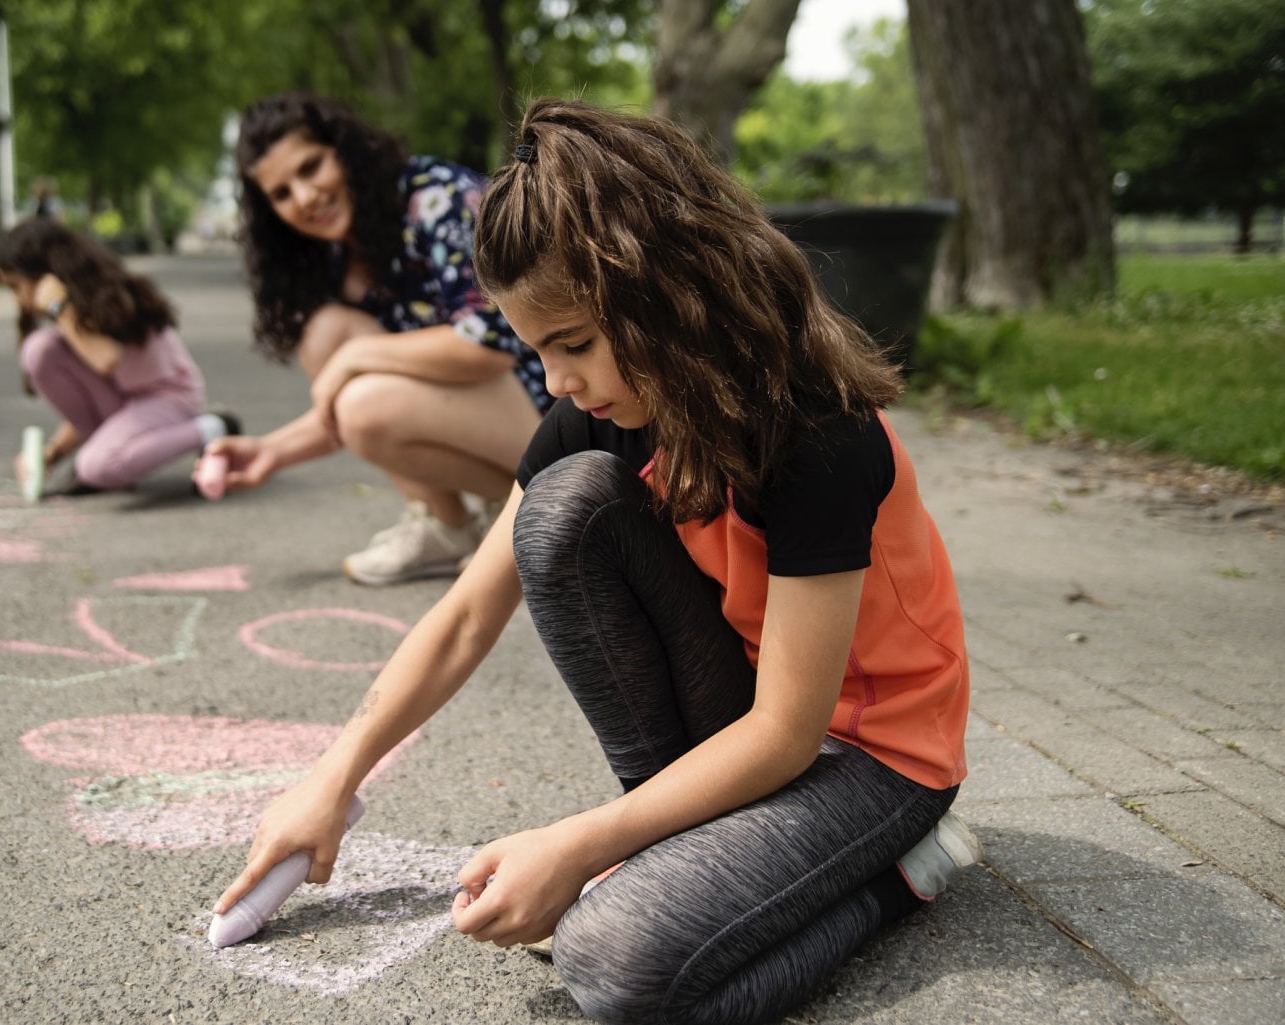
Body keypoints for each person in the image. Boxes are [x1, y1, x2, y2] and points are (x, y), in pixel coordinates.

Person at [212, 98, 979, 1025]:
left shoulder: (813, 428)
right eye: (538, 352)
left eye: (572, 344)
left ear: (667, 293)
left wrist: (579, 844)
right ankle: (685, 849)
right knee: (562, 512)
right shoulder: (605, 407)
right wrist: (331, 778)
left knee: (615, 961)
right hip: (750, 709)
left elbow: (788, 732)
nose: (559, 381)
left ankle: (902, 872)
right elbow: (463, 614)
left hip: (872, 754)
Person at [205, 91, 551, 585]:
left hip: (556, 406)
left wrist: (355, 358)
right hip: (490, 407)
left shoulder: (436, 196)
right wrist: (271, 451)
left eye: (310, 168)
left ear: (344, 149)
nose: (304, 198)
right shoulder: (333, 254)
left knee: (360, 397)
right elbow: (350, 396)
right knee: (325, 334)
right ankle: (446, 524)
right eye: (281, 194)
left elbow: (492, 343)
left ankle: (529, 516)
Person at [0, 219, 238, 495]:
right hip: (127, 403)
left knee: (96, 466)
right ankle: (105, 452)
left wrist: (57, 305)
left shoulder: (107, 297)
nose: (16, 299)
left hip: (170, 399)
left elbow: (105, 361)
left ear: (46, 277)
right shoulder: (71, 309)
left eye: (16, 286)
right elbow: (87, 406)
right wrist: (52, 452)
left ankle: (213, 427)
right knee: (39, 349)